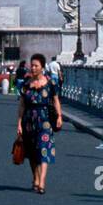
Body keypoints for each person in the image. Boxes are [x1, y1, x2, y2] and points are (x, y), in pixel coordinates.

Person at [17, 53, 63, 194]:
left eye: (36, 65)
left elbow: (55, 100)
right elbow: (22, 105)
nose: (33, 68)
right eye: (32, 65)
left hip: (44, 120)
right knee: (31, 152)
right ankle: (35, 177)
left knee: (44, 149)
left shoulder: (50, 83)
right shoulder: (26, 84)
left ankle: (42, 181)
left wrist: (59, 116)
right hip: (29, 120)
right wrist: (19, 123)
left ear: (42, 67)